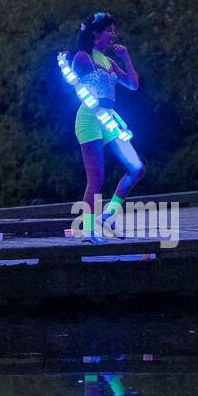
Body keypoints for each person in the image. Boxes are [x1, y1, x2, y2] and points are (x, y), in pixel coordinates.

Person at [70, 13, 144, 242]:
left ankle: (108, 215)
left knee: (137, 168)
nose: (113, 34)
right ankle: (87, 231)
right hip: (90, 118)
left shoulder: (108, 61)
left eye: (114, 30)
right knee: (97, 178)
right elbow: (81, 85)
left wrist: (126, 58)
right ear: (95, 33)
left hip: (110, 119)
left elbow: (132, 85)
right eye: (109, 30)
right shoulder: (83, 57)